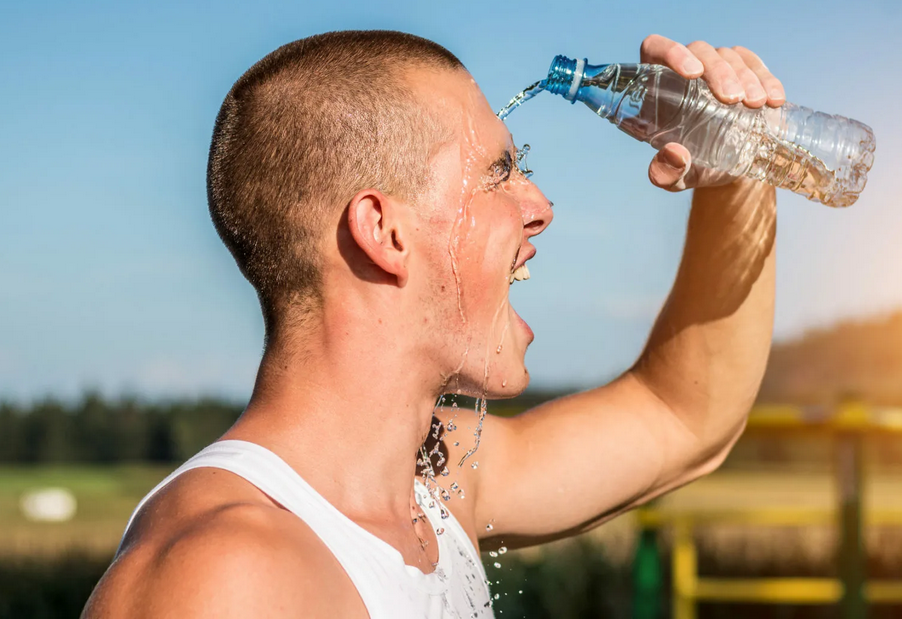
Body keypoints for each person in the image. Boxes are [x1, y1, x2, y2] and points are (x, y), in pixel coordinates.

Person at [83, 30, 780, 618]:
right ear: (385, 232)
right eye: (500, 170)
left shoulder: (436, 482)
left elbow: (684, 416)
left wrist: (738, 169)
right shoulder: (221, 577)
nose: (539, 207)